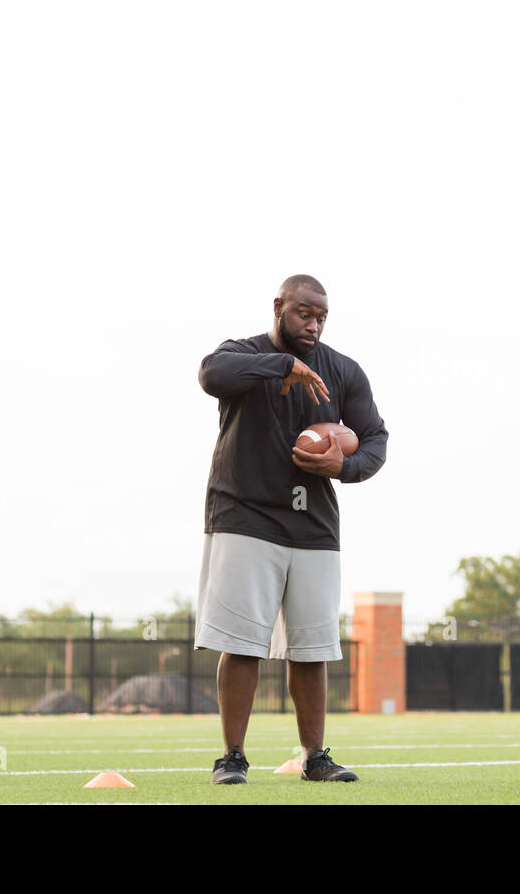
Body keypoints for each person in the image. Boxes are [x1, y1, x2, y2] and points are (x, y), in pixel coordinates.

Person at [195, 274, 388, 785]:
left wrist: (343, 467)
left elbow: (375, 439)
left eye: (321, 317)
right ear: (278, 306)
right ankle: (232, 757)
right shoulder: (243, 354)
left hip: (313, 524)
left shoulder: (343, 370)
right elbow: (210, 374)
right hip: (246, 515)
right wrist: (282, 365)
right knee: (242, 643)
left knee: (312, 647)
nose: (314, 324)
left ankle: (315, 757)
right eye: (304, 313)